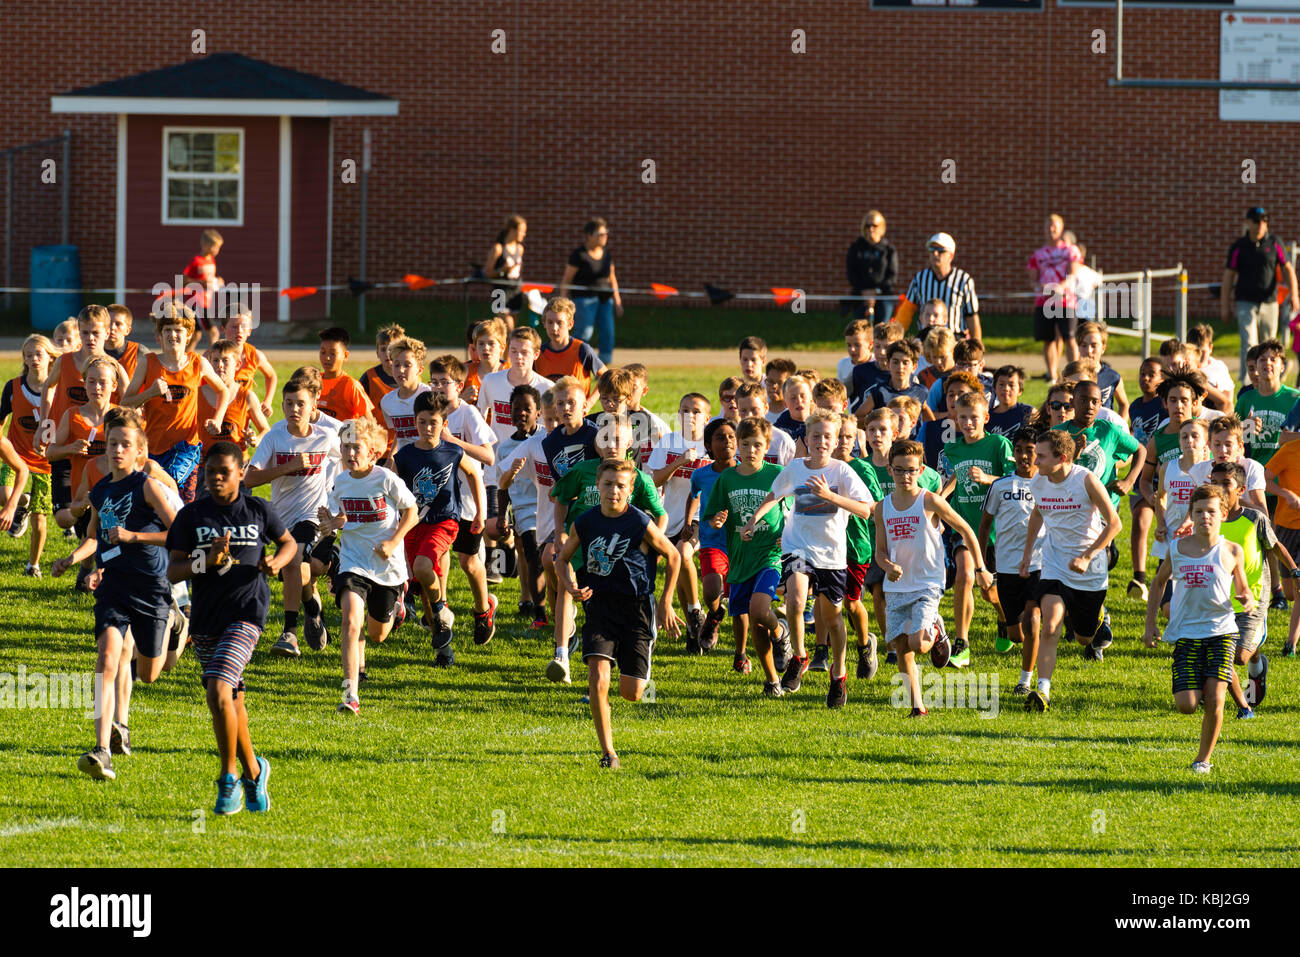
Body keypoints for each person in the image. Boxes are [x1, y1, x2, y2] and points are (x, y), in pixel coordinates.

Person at [165, 441, 297, 814]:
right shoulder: (191, 516)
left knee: (219, 692)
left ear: (242, 473)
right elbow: (173, 569)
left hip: (246, 613)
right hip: (206, 617)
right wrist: (204, 561)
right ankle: (255, 772)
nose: (217, 479)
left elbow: (288, 545)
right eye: (210, 473)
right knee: (231, 701)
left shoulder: (258, 509)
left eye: (225, 472)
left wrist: (276, 562)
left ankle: (228, 779)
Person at [53, 409, 178, 780]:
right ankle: (102, 749)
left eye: (126, 445)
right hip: (114, 586)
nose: (117, 450)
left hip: (152, 586)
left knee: (151, 672)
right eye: (112, 444)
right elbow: (95, 536)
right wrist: (73, 559)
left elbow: (177, 535)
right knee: (107, 657)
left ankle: (176, 621)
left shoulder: (149, 487)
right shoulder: (101, 490)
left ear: (140, 451)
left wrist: (133, 537)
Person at [554, 458, 681, 769]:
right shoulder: (585, 522)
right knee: (597, 677)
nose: (613, 491)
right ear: (597, 486)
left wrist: (666, 602)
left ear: (631, 489)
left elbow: (673, 555)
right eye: (608, 484)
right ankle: (608, 753)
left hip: (637, 609)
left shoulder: (639, 522)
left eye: (620, 485)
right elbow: (562, 558)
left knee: (632, 693)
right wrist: (571, 585)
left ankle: (635, 668)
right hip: (599, 606)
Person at [743, 409, 870, 705]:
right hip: (798, 546)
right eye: (816, 436)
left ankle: (839, 673)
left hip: (832, 555)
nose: (822, 442)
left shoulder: (842, 472)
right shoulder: (797, 468)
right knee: (796, 599)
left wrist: (830, 497)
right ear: (806, 438)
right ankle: (800, 655)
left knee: (833, 618)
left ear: (836, 439)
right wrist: (753, 520)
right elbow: (774, 494)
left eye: (828, 436)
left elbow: (866, 509)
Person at [1143, 484, 1254, 773]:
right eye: (1199, 511)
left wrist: (1248, 598)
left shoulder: (1232, 550)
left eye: (1212, 511)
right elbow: (1159, 582)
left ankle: (1202, 760)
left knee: (1217, 698)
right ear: (1191, 514)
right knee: (1186, 705)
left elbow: (1243, 588)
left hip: (1221, 631)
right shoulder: (1177, 548)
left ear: (1223, 514)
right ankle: (1206, 680)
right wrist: (1150, 624)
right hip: (1187, 632)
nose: (1205, 516)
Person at [875, 438, 986, 718]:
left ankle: (936, 630)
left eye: (911, 470)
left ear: (921, 469)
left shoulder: (929, 500)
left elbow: (966, 530)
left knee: (919, 644)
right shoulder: (882, 508)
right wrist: (887, 565)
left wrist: (981, 567)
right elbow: (879, 551)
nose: (905, 476)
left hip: (927, 582)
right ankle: (917, 707)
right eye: (899, 470)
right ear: (890, 470)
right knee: (900, 646)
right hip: (897, 585)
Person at [316, 417, 419, 714]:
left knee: (377, 635)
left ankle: (397, 607)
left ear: (373, 452)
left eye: (356, 448)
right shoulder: (341, 482)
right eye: (345, 447)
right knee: (350, 621)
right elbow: (342, 518)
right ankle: (350, 694)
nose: (350, 454)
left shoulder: (385, 479)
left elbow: (411, 511)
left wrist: (393, 542)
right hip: (353, 561)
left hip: (387, 567)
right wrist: (331, 524)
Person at [1020, 429, 1122, 713]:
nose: (1034, 461)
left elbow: (1114, 524)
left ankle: (1099, 619)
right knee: (1050, 626)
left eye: (1040, 456)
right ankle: (1042, 692)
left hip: (1089, 568)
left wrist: (1088, 556)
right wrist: (1028, 553)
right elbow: (1038, 512)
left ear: (1062, 458)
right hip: (1054, 563)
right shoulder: (1039, 481)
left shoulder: (1085, 480)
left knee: (1084, 638)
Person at [244, 378, 342, 657]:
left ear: (313, 408)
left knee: (294, 559)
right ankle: (312, 607)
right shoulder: (275, 437)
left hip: (313, 516)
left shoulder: (325, 436)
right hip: (282, 517)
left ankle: (289, 633)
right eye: (289, 403)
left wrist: (341, 502)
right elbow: (250, 479)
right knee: (298, 570)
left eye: (301, 404)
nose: (294, 409)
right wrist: (288, 466)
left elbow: (350, 456)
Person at [394, 392, 486, 666]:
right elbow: (390, 488)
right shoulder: (404, 456)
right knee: (424, 586)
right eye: (422, 422)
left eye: (434, 422)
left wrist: (480, 512)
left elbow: (472, 473)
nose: (428, 428)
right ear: (415, 422)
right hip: (413, 525)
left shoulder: (453, 451)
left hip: (445, 522)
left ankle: (441, 608)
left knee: (423, 567)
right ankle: (444, 649)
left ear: (443, 423)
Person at [704, 416, 789, 693]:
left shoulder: (778, 474)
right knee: (754, 622)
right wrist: (717, 520)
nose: (750, 450)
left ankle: (780, 633)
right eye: (745, 444)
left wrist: (787, 533)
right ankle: (771, 679)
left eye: (757, 445)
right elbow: (713, 514)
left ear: (767, 447)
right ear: (738, 446)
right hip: (740, 559)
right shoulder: (727, 478)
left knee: (759, 609)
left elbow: (797, 508)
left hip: (769, 555)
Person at [1208, 462, 1294, 718]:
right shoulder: (1210, 517)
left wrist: (1295, 572)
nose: (1220, 489)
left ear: (1241, 489)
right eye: (1215, 482)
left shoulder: (1254, 518)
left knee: (1240, 658)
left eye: (1226, 484)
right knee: (1222, 654)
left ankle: (1257, 664)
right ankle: (1241, 707)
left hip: (1253, 599)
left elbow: (1275, 547)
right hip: (1219, 599)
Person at [120, 302, 228, 504]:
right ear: (158, 336)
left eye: (178, 330)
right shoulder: (148, 362)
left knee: (165, 488)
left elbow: (223, 389)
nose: (173, 335)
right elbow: (125, 403)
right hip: (153, 446)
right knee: (171, 504)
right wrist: (150, 393)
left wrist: (218, 419)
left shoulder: (198, 363)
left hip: (187, 445)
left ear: (188, 335)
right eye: (167, 330)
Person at [940, 390, 1014, 667]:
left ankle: (1003, 617)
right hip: (964, 526)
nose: (968, 423)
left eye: (974, 418)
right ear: (956, 419)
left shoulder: (998, 444)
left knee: (989, 592)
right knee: (964, 576)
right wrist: (940, 499)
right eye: (963, 418)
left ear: (985, 417)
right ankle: (962, 643)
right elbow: (955, 478)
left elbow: (1014, 479)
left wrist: (987, 479)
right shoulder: (953, 449)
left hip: (995, 530)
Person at [980, 427, 1045, 689]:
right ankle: (1004, 621)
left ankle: (1025, 681)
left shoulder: (1049, 484)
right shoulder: (1000, 485)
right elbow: (985, 524)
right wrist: (981, 561)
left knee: (1032, 623)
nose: (1024, 456)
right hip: (1006, 566)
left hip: (1040, 564)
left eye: (1030, 451)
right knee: (1015, 635)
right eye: (1019, 450)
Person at [647, 393, 712, 644]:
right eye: (684, 410)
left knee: (684, 554)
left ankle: (695, 610)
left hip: (698, 517)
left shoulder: (711, 446)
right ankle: (693, 631)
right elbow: (654, 481)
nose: (689, 416)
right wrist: (679, 461)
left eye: (696, 411)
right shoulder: (669, 442)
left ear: (707, 417)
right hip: (671, 516)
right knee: (682, 572)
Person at [1222, 207, 1300, 384]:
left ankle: (1271, 380)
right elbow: (1228, 276)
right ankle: (1248, 382)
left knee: (1269, 345)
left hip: (1269, 302)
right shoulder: (1239, 246)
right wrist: (1224, 306)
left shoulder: (1274, 243)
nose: (1261, 225)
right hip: (1245, 302)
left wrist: (1294, 294)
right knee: (1249, 342)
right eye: (1257, 221)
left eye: (1264, 221)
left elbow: (1287, 269)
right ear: (1248, 223)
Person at [1, 334, 57, 576]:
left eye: (39, 354)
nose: (34, 359)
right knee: (5, 496)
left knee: (40, 520)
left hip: (46, 463)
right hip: (16, 454)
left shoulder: (59, 388)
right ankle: (21, 504)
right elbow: (1, 420)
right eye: (28, 354)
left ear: (50, 357)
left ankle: (33, 565)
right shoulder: (13, 387)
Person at [687, 418, 738, 655]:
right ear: (708, 444)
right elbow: (694, 495)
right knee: (710, 590)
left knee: (737, 599)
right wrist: (688, 522)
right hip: (712, 541)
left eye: (731, 436)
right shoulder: (700, 475)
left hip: (741, 544)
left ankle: (741, 650)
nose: (726, 441)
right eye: (720, 437)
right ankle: (715, 615)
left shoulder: (745, 472)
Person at [1027, 214, 1083, 383]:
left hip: (1066, 302)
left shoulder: (1070, 250)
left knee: (1070, 338)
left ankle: (1076, 374)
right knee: (1048, 339)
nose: (1051, 229)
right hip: (1044, 303)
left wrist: (1061, 287)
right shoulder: (1038, 255)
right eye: (1048, 226)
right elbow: (1032, 278)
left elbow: (1074, 273)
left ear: (1061, 228)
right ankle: (1052, 375)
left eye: (1055, 226)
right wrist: (1041, 288)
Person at [893, 233, 980, 342]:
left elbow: (972, 316)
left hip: (954, 339)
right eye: (932, 249)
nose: (935, 253)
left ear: (951, 255)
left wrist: (977, 346)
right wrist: (894, 338)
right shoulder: (920, 279)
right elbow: (906, 311)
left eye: (940, 250)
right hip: (926, 338)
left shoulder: (963, 280)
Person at [560, 218, 622, 365]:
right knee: (584, 333)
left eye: (606, 233)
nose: (604, 236)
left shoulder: (606, 254)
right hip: (584, 300)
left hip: (605, 300)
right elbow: (567, 280)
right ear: (589, 235)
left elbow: (612, 277)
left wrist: (618, 300)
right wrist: (563, 304)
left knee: (608, 332)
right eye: (600, 234)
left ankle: (603, 369)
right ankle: (577, 362)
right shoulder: (579, 255)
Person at [534, 297, 604, 399]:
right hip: (547, 414)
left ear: (570, 324)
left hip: (576, 414)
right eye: (550, 322)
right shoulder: (538, 354)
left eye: (559, 322)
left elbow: (606, 377)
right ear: (544, 323)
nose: (554, 328)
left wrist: (590, 402)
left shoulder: (582, 350)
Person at [379, 337, 431, 459]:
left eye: (407, 365)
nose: (401, 370)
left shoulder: (429, 396)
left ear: (419, 370)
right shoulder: (387, 402)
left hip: (428, 461)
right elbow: (401, 433)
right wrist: (392, 456)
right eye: (396, 365)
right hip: (404, 463)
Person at [221, 307, 276, 418]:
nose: (239, 331)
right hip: (218, 411)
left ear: (250, 331)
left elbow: (271, 376)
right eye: (234, 327)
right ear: (223, 329)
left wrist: (268, 402)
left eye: (244, 327)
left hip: (243, 414)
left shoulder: (255, 355)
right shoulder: (212, 355)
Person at [845, 210, 898, 322]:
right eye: (868, 225)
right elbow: (851, 273)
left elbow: (892, 275)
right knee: (861, 329)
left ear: (882, 227)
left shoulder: (888, 250)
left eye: (874, 225)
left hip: (883, 296)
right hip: (860, 295)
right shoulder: (856, 248)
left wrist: (876, 291)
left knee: (882, 330)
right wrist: (864, 291)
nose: (871, 229)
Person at [316, 327, 375, 423]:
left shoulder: (351, 385)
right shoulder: (314, 382)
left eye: (332, 353)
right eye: (323, 352)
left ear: (345, 356)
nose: (327, 358)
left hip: (342, 437)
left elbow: (370, 423)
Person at [183, 228, 225, 348]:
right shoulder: (196, 261)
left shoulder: (211, 260)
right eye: (215, 247)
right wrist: (201, 283)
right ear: (205, 245)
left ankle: (183, 362)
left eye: (218, 247)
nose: (217, 250)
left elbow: (210, 279)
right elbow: (185, 280)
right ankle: (212, 362)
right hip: (197, 302)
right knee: (213, 333)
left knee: (195, 335)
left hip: (207, 301)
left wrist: (218, 281)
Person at [483, 214, 527, 329]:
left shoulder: (520, 249)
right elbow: (487, 273)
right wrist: (502, 271)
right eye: (522, 231)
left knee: (508, 332)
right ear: (512, 230)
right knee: (509, 329)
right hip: (500, 292)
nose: (524, 234)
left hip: (515, 292)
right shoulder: (498, 248)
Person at [987, 365, 1034, 439]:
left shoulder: (1028, 412)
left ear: (1020, 390)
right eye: (1001, 384)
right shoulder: (987, 417)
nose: (1006, 388)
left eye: (1011, 385)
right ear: (994, 388)